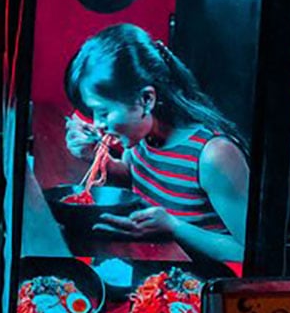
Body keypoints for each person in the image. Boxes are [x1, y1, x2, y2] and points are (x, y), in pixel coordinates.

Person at [61, 23, 250, 270]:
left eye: (104, 112)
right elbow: (135, 178)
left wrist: (174, 226)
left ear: (146, 99)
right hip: (157, 266)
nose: (97, 125)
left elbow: (248, 251)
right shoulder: (141, 137)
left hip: (204, 284)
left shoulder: (214, 155)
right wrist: (95, 158)